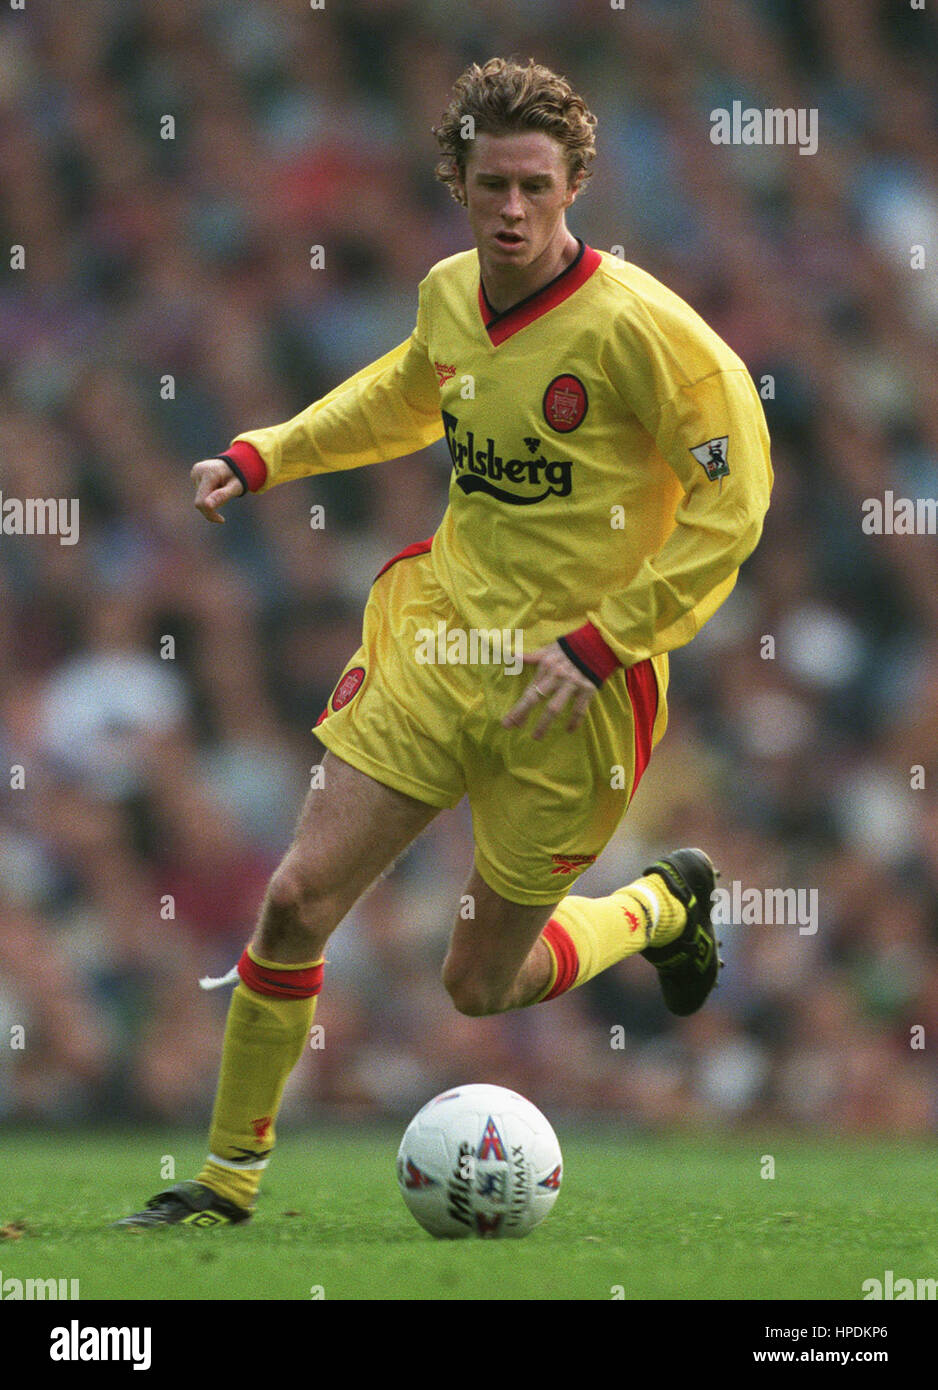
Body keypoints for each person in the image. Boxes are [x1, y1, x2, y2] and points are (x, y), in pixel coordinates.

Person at [116, 57, 772, 1228]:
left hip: (572, 690)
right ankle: (223, 1185)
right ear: (457, 186)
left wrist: (600, 642)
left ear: (574, 182)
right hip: (438, 636)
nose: (510, 210)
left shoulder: (651, 337)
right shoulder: (448, 294)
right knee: (293, 901)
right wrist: (270, 451)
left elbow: (734, 506)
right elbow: (409, 392)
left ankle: (660, 910)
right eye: (488, 187)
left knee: (479, 984)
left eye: (533, 186)